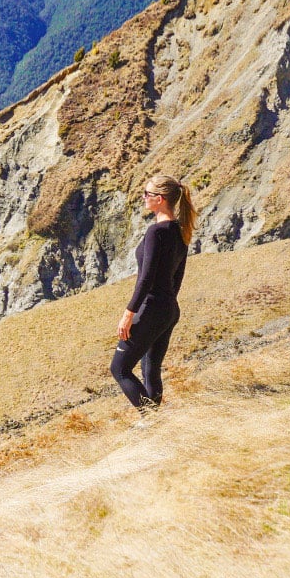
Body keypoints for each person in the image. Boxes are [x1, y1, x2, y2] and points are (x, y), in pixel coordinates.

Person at [111, 173, 195, 413]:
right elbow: (177, 277)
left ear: (160, 199)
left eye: (147, 194)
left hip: (152, 307)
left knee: (119, 368)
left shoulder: (156, 232)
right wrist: (167, 307)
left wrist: (129, 314)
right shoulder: (180, 230)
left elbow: (146, 279)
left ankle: (149, 418)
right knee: (150, 369)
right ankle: (154, 424)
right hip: (168, 309)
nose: (143, 197)